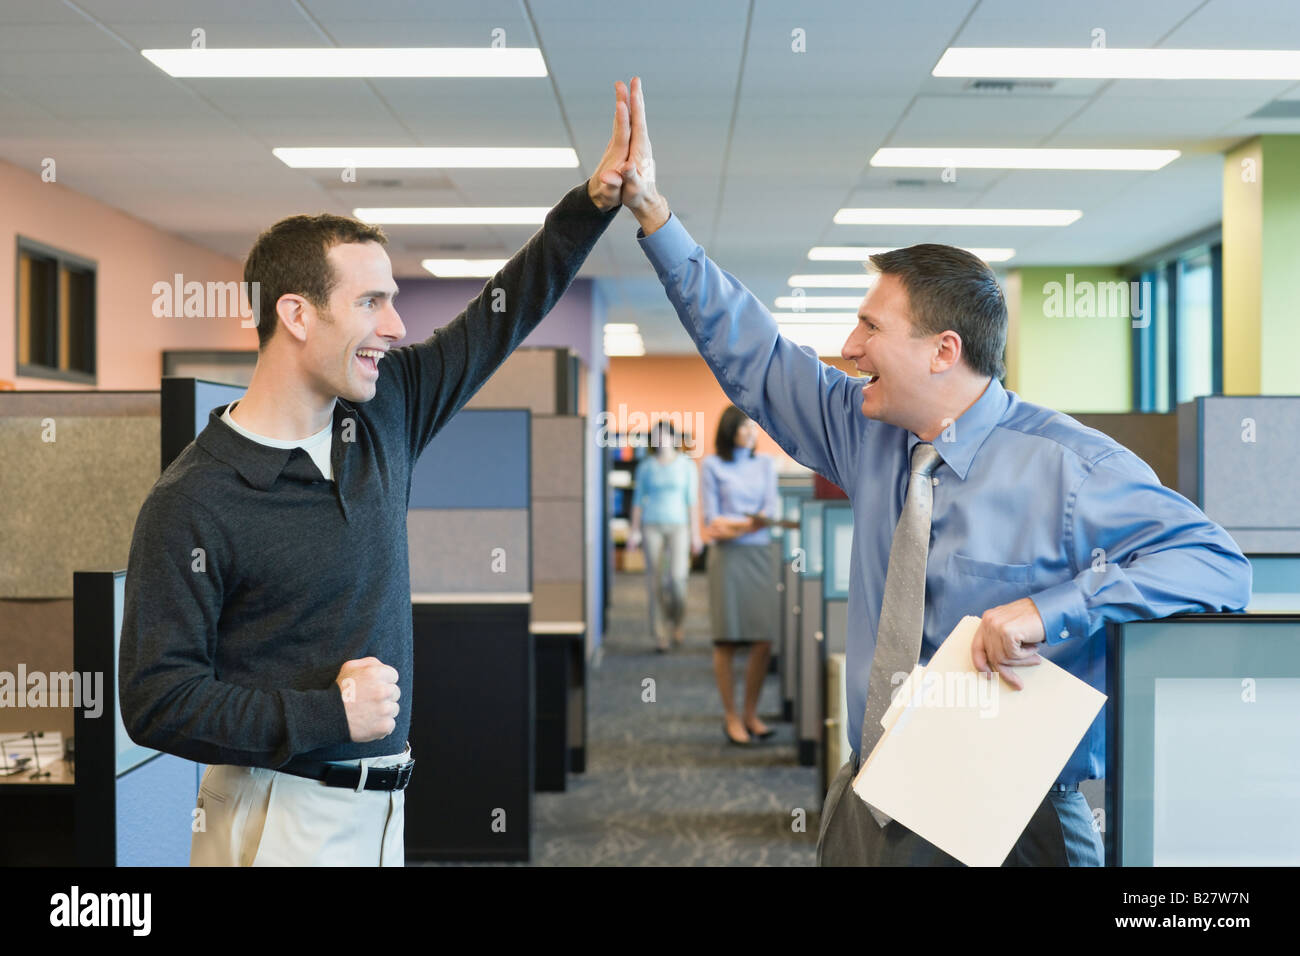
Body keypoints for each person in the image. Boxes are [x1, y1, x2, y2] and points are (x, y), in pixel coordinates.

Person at [611, 76, 1252, 865]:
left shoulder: (1068, 466)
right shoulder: (862, 431)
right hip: (875, 795)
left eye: (870, 327)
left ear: (944, 350)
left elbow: (1216, 565)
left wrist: (1052, 610)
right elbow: (753, 352)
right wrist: (655, 215)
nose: (849, 346)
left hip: (1013, 815)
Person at [118, 82, 638, 866]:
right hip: (280, 815)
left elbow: (500, 316)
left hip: (384, 808)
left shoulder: (384, 411)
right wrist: (326, 714)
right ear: (297, 315)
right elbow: (156, 702)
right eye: (372, 303)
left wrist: (592, 205)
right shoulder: (195, 500)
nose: (396, 326)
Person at [701, 406, 780, 746]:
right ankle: (731, 716)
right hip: (727, 561)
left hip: (759, 556)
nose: (752, 433)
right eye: (745, 427)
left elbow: (771, 512)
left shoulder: (766, 465)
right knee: (726, 639)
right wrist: (748, 525)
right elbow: (712, 522)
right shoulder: (711, 465)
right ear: (730, 429)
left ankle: (751, 712)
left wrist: (734, 526)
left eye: (754, 427)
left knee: (763, 639)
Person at [626, 419, 703, 652]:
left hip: (680, 526)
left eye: (665, 435)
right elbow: (638, 501)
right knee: (655, 581)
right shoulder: (646, 467)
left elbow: (692, 503)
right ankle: (660, 634)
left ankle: (677, 623)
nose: (661, 440)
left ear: (674, 438)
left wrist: (696, 535)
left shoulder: (686, 466)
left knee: (678, 579)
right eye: (657, 436)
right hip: (652, 525)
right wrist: (633, 530)